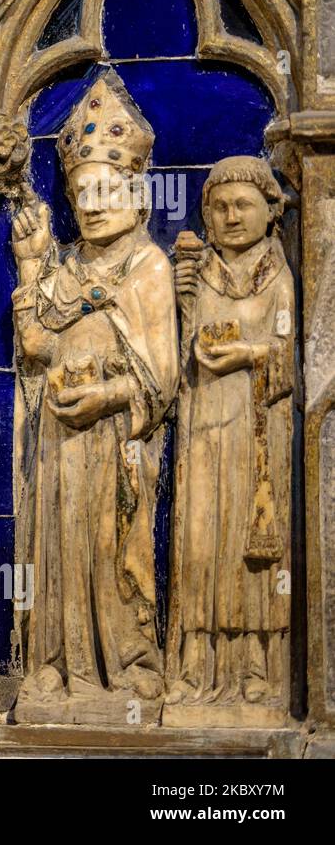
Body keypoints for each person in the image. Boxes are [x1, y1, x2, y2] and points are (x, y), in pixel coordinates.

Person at [11, 71, 176, 708]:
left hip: (117, 440)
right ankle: (53, 658)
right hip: (59, 439)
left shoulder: (148, 265)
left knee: (111, 549)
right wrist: (31, 264)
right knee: (56, 548)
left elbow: (161, 377)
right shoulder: (69, 266)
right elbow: (33, 345)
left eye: (108, 189)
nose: (95, 204)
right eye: (83, 196)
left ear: (137, 192)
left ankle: (126, 662)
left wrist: (109, 396)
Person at [166, 156, 293, 710]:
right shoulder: (201, 274)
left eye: (243, 205)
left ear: (270, 212)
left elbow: (289, 354)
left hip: (259, 433)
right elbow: (180, 352)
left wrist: (250, 353)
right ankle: (196, 665)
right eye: (219, 207)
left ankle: (259, 666)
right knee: (200, 543)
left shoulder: (280, 277)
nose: (231, 216)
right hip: (204, 431)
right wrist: (184, 306)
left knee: (254, 549)